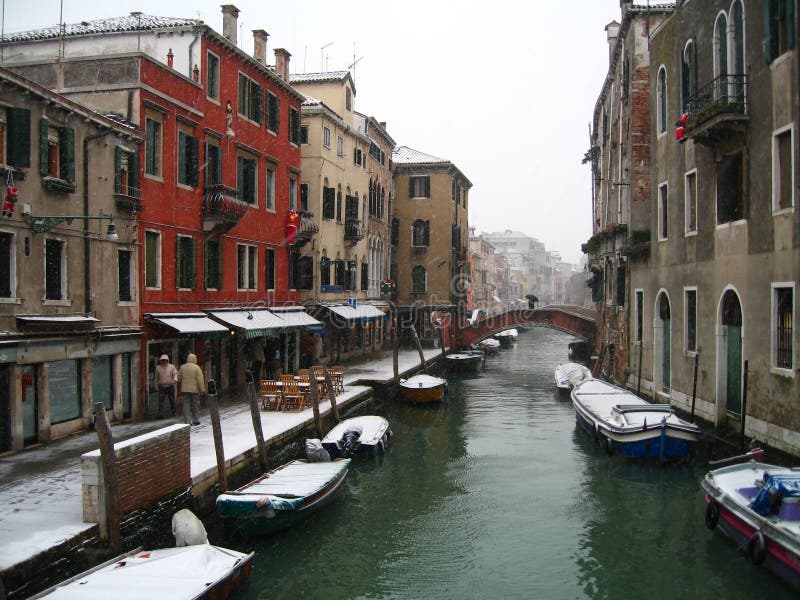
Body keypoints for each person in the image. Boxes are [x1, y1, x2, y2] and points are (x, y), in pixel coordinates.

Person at [177, 353, 205, 426]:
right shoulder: (197, 368)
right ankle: (195, 420)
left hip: (185, 390)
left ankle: (187, 421)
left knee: (186, 405)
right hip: (194, 390)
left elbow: (178, 377)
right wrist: (202, 390)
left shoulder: (183, 367)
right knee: (195, 405)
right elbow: (200, 380)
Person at [154, 354, 178, 419]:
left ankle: (173, 410)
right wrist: (156, 386)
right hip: (162, 386)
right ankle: (160, 413)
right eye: (162, 360)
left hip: (170, 385)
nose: (164, 362)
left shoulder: (172, 367)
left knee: (172, 399)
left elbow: (175, 373)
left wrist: (175, 379)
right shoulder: (158, 368)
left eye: (165, 360)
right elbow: (156, 377)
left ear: (167, 360)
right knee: (161, 400)